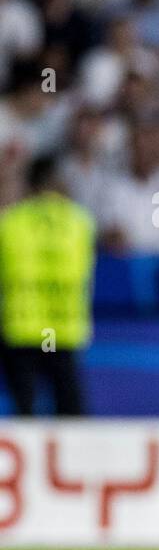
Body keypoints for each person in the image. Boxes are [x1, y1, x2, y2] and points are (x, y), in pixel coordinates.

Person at [0, 155, 94, 415]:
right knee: (69, 408)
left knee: (25, 409)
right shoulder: (80, 222)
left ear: (30, 184)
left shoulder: (10, 222)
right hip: (61, 329)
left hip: (23, 327)